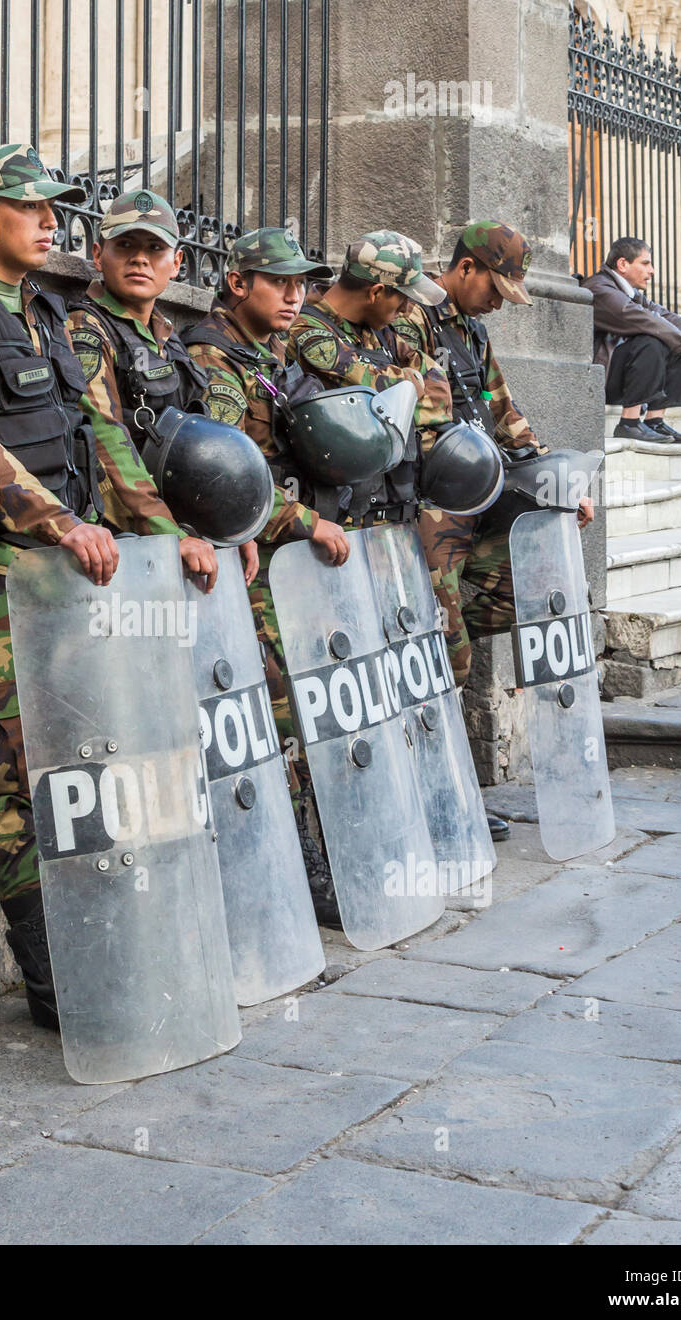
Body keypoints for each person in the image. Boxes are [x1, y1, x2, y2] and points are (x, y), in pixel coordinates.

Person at [0, 144, 217, 1030]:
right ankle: (52, 982)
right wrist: (62, 524)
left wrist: (163, 530)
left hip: (58, 587)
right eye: (28, 208)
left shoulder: (44, 313)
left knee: (84, 767)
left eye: (53, 210)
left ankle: (105, 947)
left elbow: (99, 440)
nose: (48, 223)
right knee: (3, 784)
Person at [393, 219, 594, 843]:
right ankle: (437, 797)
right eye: (494, 289)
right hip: (432, 509)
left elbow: (504, 413)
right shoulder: (414, 319)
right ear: (467, 267)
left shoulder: (470, 329)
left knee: (524, 590)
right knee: (444, 650)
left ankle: (444, 782)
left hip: (478, 501)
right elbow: (422, 422)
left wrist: (554, 481)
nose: (497, 305)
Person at [181, 228, 349, 923]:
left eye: (301, 284)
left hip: (273, 559)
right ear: (236, 282)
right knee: (272, 709)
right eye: (278, 282)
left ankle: (310, 851)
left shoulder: (267, 353)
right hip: (237, 560)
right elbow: (222, 478)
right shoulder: (215, 361)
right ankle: (283, 864)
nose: (294, 295)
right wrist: (306, 523)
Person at [66, 189, 258, 581]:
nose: (140, 258)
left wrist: (231, 519)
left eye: (155, 248)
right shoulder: (86, 330)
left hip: (175, 537)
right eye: (125, 245)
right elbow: (106, 439)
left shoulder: (169, 338)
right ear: (98, 255)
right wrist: (169, 535)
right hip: (125, 543)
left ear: (176, 263)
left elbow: (202, 439)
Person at [284, 228, 455, 525]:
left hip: (390, 516)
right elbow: (377, 405)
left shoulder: (379, 332)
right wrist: (410, 384)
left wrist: (404, 390)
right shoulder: (308, 333)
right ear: (375, 293)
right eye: (402, 299)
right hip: (342, 523)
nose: (405, 310)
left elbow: (439, 388)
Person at [581, 236, 681, 443]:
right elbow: (647, 321)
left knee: (672, 337)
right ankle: (629, 423)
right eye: (645, 263)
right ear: (622, 264)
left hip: (622, 376)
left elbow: (669, 318)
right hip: (599, 378)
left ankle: (654, 421)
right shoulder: (600, 289)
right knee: (653, 339)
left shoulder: (631, 293)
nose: (652, 271)